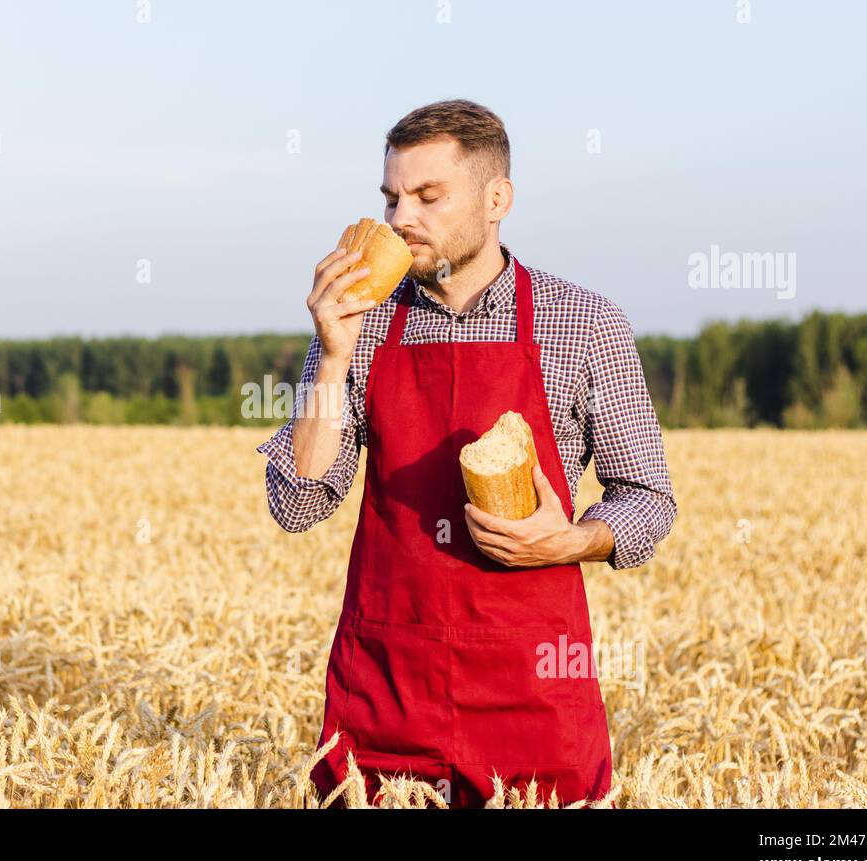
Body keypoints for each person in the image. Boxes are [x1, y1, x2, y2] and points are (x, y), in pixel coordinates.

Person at [256, 99, 677, 808]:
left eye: (427, 196)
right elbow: (297, 504)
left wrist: (572, 539)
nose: (399, 220)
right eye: (390, 198)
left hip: (535, 690)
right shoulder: (358, 323)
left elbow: (648, 499)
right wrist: (331, 360)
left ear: (497, 199)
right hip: (387, 683)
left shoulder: (587, 322)